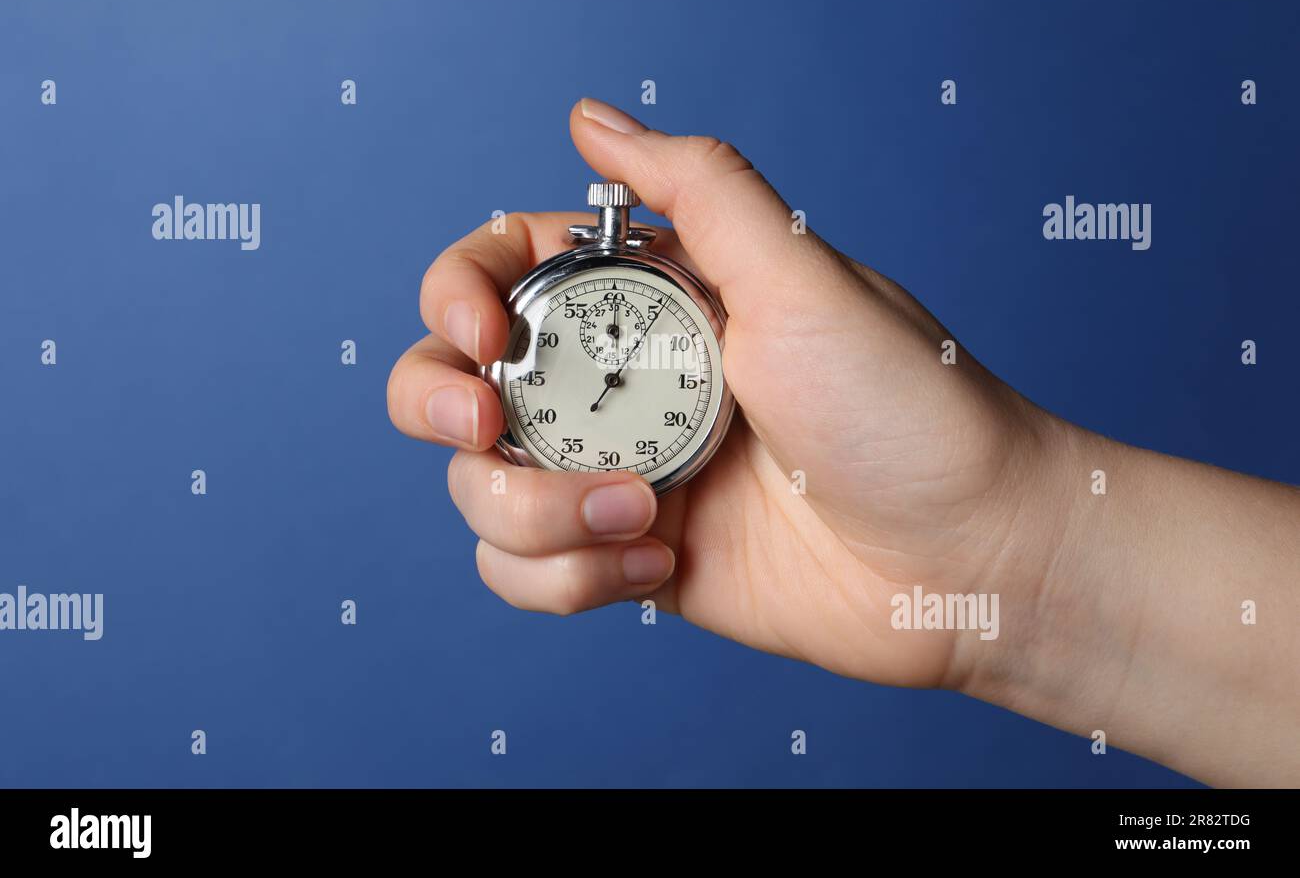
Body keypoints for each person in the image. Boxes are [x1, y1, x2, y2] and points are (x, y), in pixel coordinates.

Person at [387, 98, 1299, 788]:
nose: (618, 380)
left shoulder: (698, 319)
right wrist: (1017, 564)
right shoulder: (578, 320)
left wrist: (1014, 551)